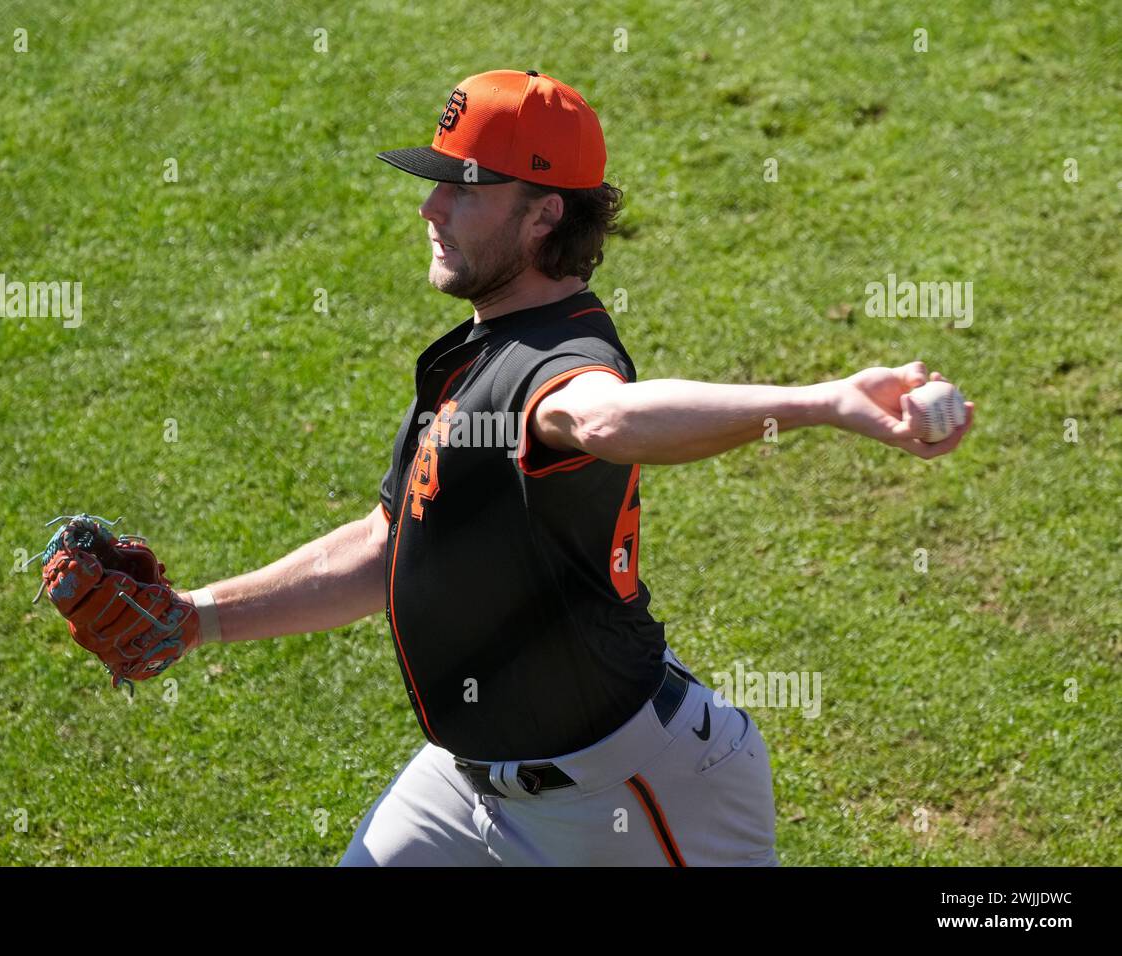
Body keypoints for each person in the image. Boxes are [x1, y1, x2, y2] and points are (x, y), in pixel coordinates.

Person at [178, 69, 975, 865]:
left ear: (543, 216)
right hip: (464, 794)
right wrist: (197, 620)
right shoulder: (475, 357)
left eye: (463, 190)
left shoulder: (562, 360)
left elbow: (604, 416)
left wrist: (823, 402)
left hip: (633, 801)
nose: (429, 209)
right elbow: (382, 549)